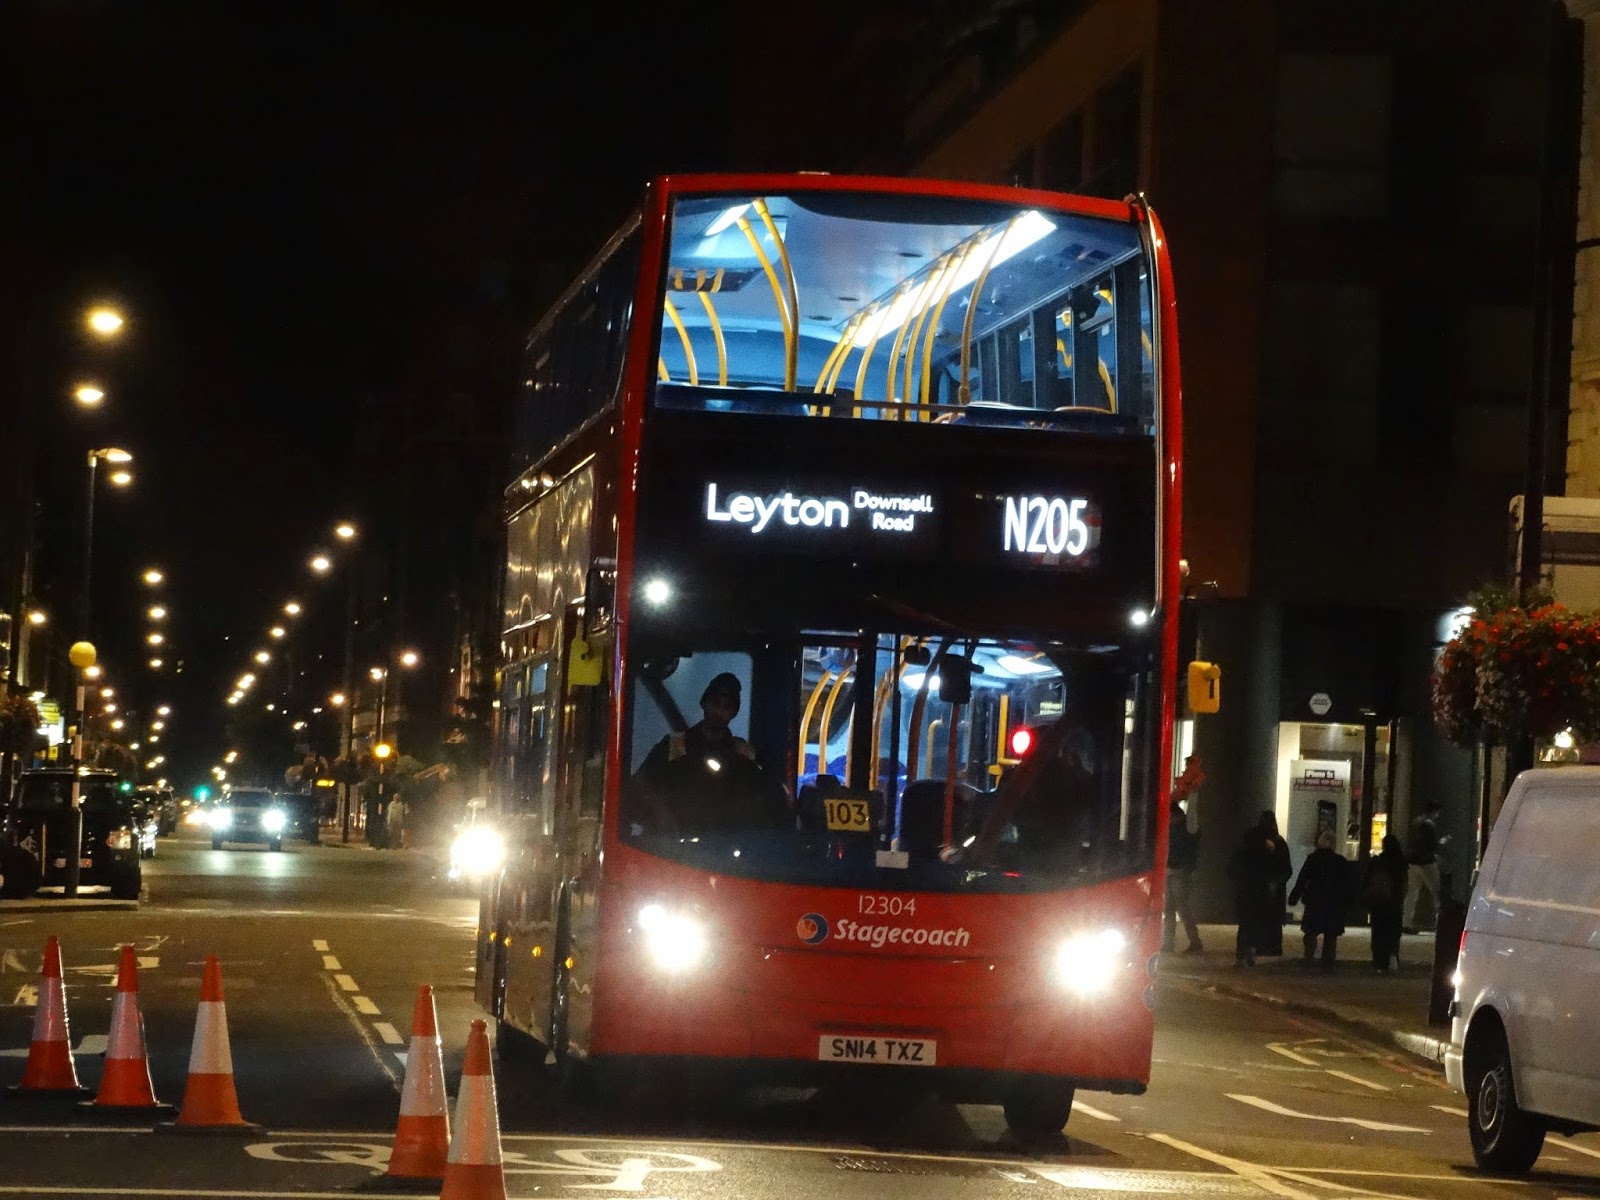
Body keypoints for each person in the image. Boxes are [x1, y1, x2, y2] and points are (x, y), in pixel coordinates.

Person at [633, 672, 785, 833]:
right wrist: (660, 814)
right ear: (704, 702)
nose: (719, 711)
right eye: (715, 703)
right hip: (676, 844)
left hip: (727, 843)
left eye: (727, 706)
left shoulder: (743, 753)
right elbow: (640, 787)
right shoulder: (674, 746)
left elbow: (766, 802)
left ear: (734, 712)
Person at [1228, 810, 1293, 967]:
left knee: (1245, 923)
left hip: (1247, 890)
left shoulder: (1247, 845)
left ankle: (1243, 951)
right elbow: (1285, 869)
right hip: (1265, 891)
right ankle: (1258, 948)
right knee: (1260, 922)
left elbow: (1233, 867)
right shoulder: (1277, 843)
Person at [1288, 830, 1350, 969]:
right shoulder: (1340, 861)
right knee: (1330, 934)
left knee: (1310, 931)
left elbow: (1302, 880)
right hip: (1333, 903)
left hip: (1314, 901)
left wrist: (1294, 897)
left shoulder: (1313, 859)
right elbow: (1346, 884)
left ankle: (1309, 957)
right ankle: (1328, 962)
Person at [1163, 800, 1203, 954]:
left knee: (1175, 910)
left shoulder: (1179, 830)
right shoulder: (1185, 829)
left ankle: (1172, 943)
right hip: (1178, 872)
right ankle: (1192, 941)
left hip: (1176, 873)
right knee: (1180, 909)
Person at [1366, 833, 1410, 972]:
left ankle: (1379, 962)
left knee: (1378, 933)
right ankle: (1392, 958)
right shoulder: (1401, 862)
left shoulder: (1377, 861)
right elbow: (1404, 884)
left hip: (1379, 903)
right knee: (1393, 934)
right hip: (1394, 903)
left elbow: (1367, 881)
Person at [1404, 800, 1444, 932]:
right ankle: (1439, 922)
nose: (1438, 816)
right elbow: (1430, 845)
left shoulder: (1414, 824)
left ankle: (1406, 922)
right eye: (1437, 813)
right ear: (1433, 812)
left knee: (1411, 894)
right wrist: (1438, 848)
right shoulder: (1429, 826)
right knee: (1436, 893)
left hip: (1412, 863)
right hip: (1427, 863)